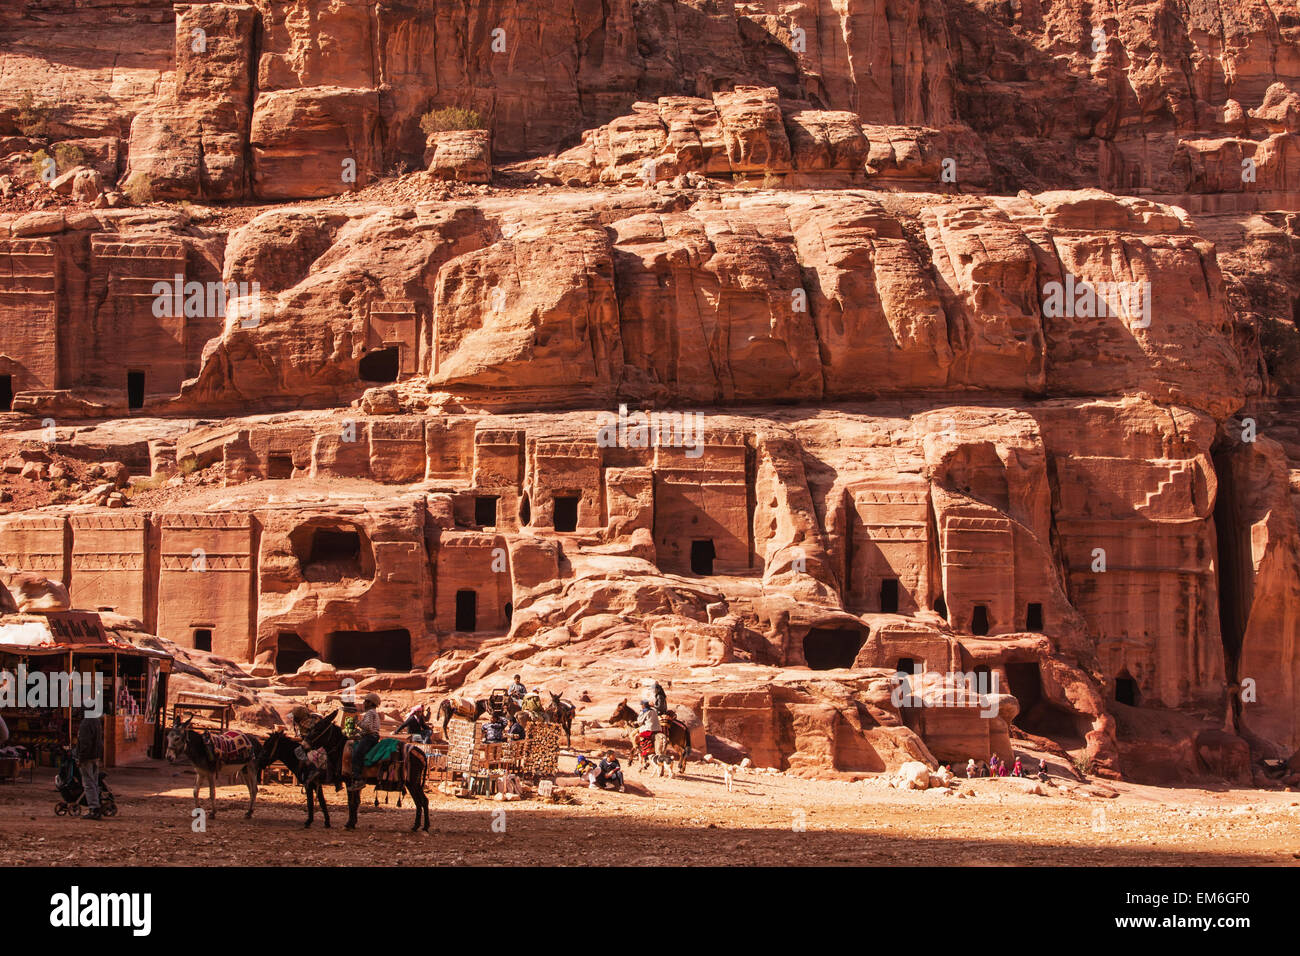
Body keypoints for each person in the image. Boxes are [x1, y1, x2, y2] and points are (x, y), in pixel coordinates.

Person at [76, 709, 104, 821]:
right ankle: (96, 805)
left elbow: (84, 743)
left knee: (88, 783)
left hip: (87, 757)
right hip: (96, 756)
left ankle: (94, 808)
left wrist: (80, 758)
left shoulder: (86, 723)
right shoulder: (97, 721)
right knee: (94, 782)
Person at [351, 693, 382, 783]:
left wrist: (357, 722)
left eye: (365, 701)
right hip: (372, 736)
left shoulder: (370, 713)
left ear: (370, 703)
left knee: (357, 754)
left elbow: (368, 728)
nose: (363, 703)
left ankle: (357, 778)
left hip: (369, 738)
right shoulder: (373, 713)